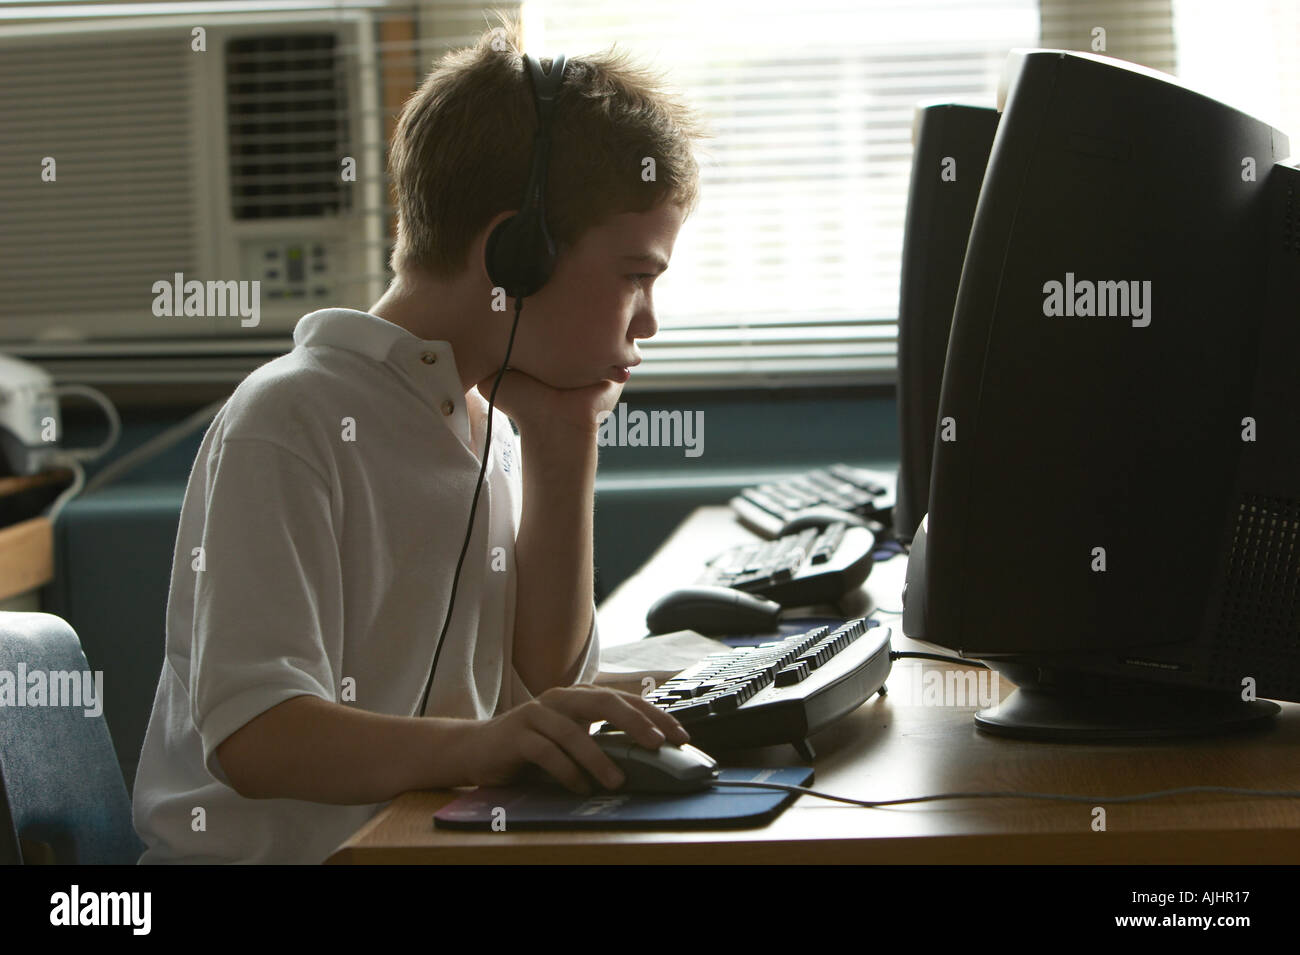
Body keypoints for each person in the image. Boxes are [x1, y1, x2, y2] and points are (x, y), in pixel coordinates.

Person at [132, 13, 708, 863]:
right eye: (635, 277)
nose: (650, 321)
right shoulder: (292, 420)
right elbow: (256, 734)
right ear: (517, 255)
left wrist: (562, 439)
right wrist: (482, 743)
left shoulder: (492, 422)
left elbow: (547, 680)